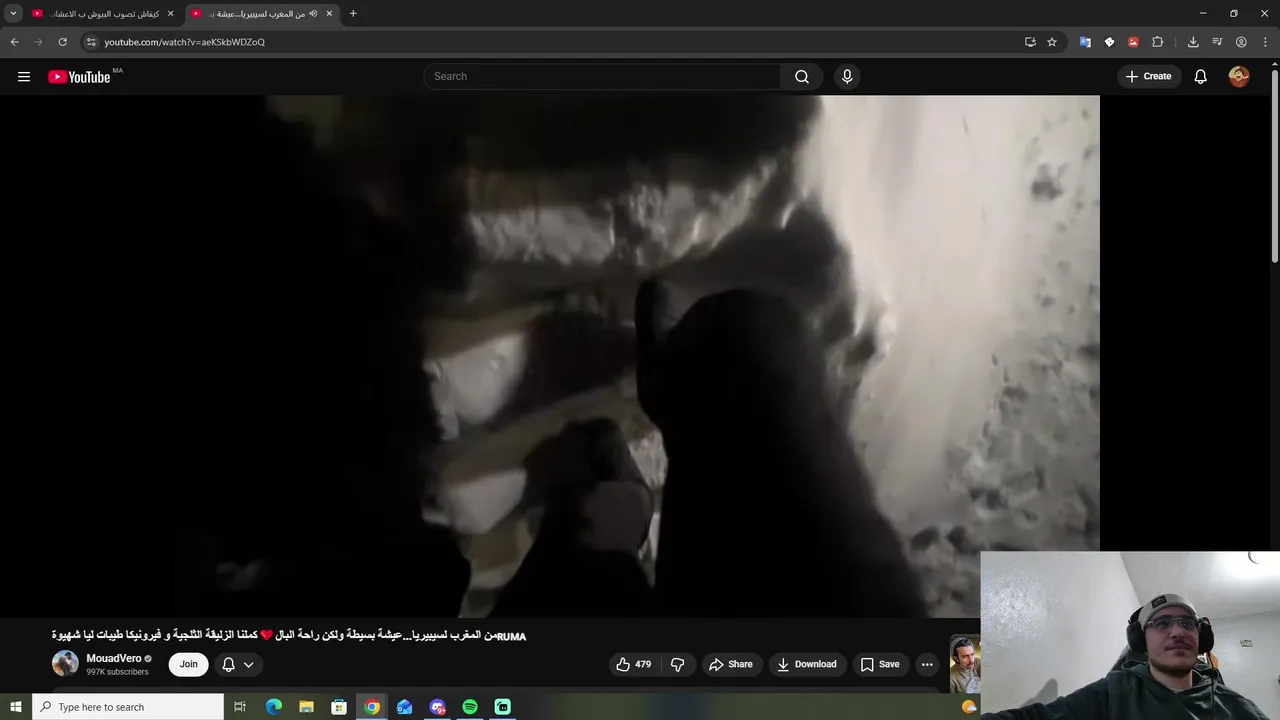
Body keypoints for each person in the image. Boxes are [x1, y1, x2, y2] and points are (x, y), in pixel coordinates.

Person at [982, 593, 1272, 719]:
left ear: (1201, 636)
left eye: (1187, 623)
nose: (1177, 632)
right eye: (1161, 623)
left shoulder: (1238, 707)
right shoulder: (1115, 691)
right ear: (1140, 640)